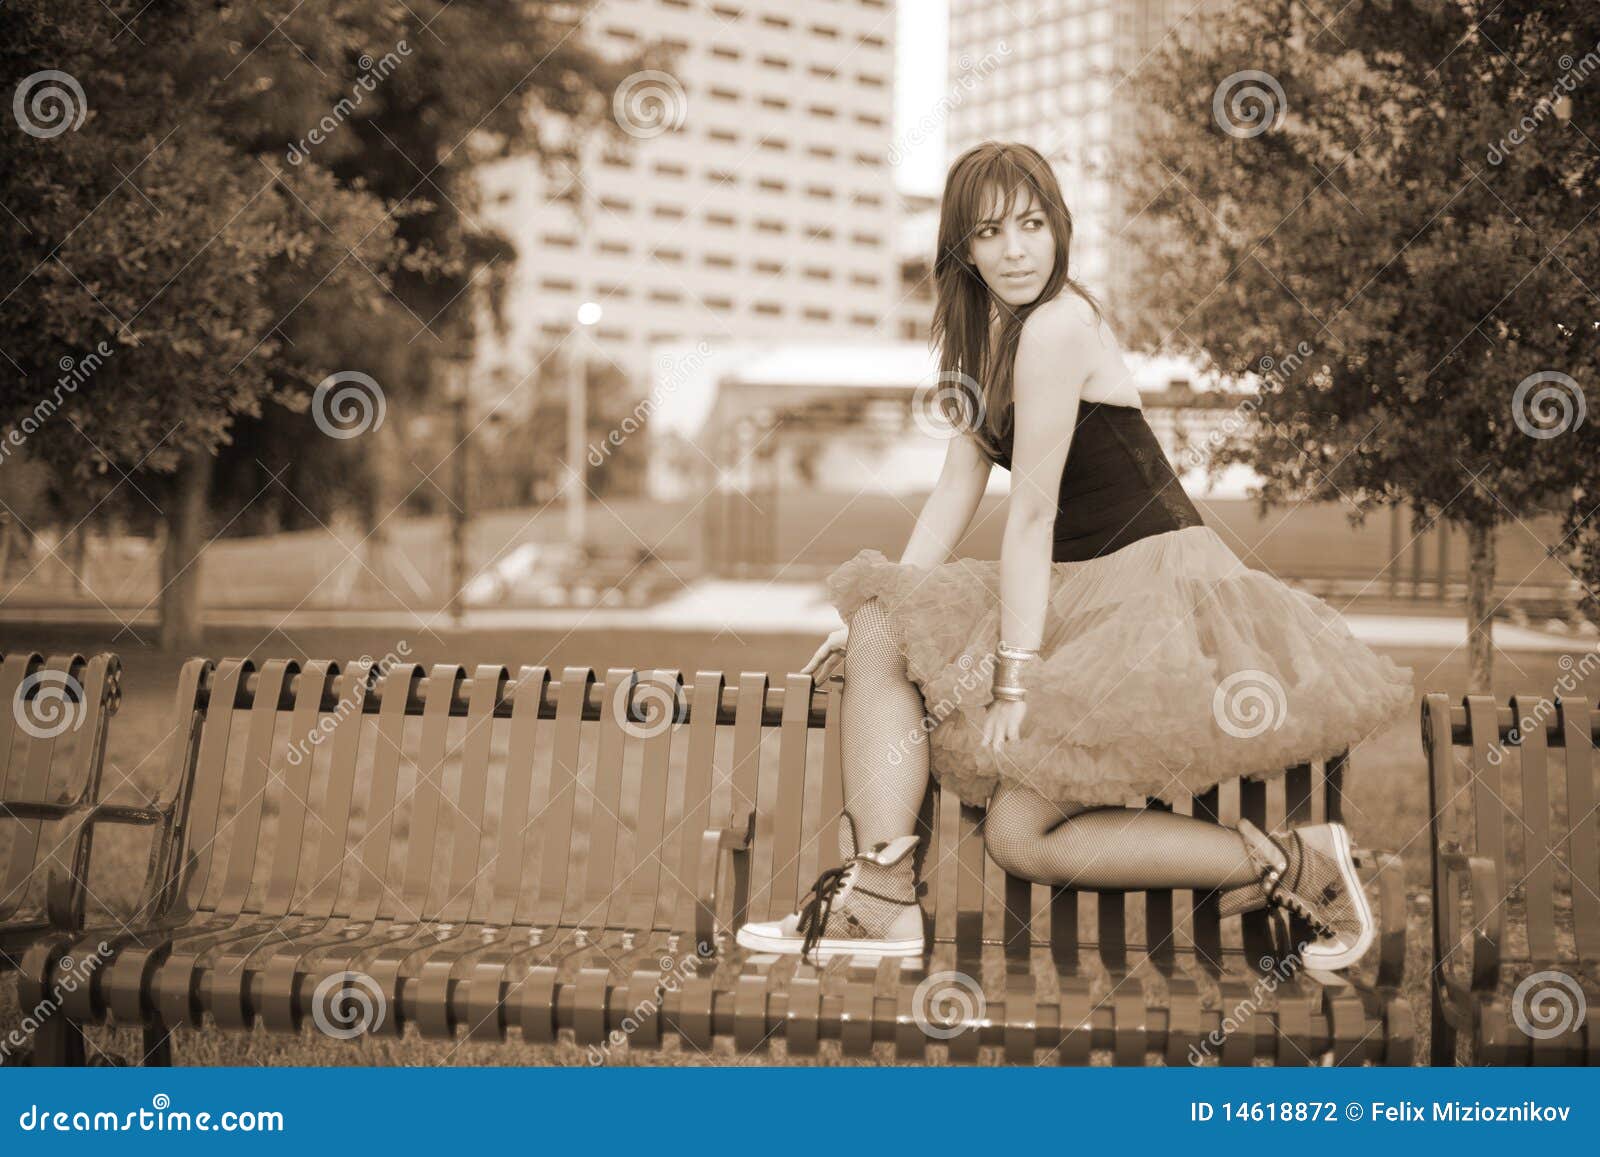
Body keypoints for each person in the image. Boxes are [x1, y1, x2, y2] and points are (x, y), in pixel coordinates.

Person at [734, 141, 1416, 972]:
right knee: (1011, 821)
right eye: (990, 232)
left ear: (1059, 228)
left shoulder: (1059, 325)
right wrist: (883, 615)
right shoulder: (987, 344)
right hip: (1081, 588)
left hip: (1150, 589)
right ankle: (1291, 860)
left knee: (999, 797)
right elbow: (955, 491)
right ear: (962, 249)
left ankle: (876, 904)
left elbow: (1030, 515)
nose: (1016, 249)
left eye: (1032, 224)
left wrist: (1014, 676)